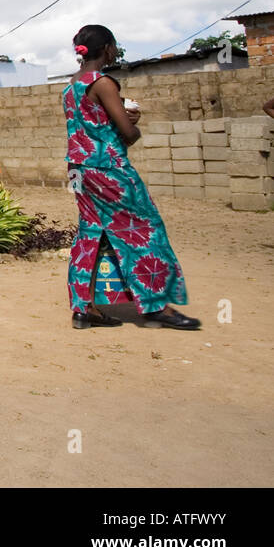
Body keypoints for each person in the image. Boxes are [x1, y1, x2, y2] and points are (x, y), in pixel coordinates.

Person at [63, 24, 199, 330]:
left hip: (77, 168)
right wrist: (132, 122)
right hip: (107, 168)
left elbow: (90, 125)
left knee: (90, 233)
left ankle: (84, 309)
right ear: (108, 48)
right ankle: (155, 307)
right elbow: (127, 134)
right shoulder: (103, 83)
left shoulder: (71, 86)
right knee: (143, 228)